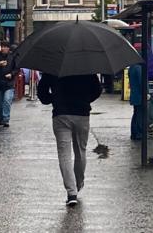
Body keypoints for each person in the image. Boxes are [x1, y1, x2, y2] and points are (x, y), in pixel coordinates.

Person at [37, 73, 103, 207]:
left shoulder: (53, 66)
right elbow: (97, 90)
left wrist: (54, 98)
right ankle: (78, 184)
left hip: (61, 114)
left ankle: (71, 193)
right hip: (82, 113)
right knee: (80, 151)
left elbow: (42, 94)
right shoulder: (86, 67)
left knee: (64, 155)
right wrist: (84, 100)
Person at [0, 43, 19, 127]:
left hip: (9, 83)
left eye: (6, 47)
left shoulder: (12, 56)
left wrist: (12, 74)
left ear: (8, 48)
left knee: (7, 100)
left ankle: (6, 119)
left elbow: (16, 68)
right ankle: (2, 118)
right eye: (2, 47)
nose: (4, 48)